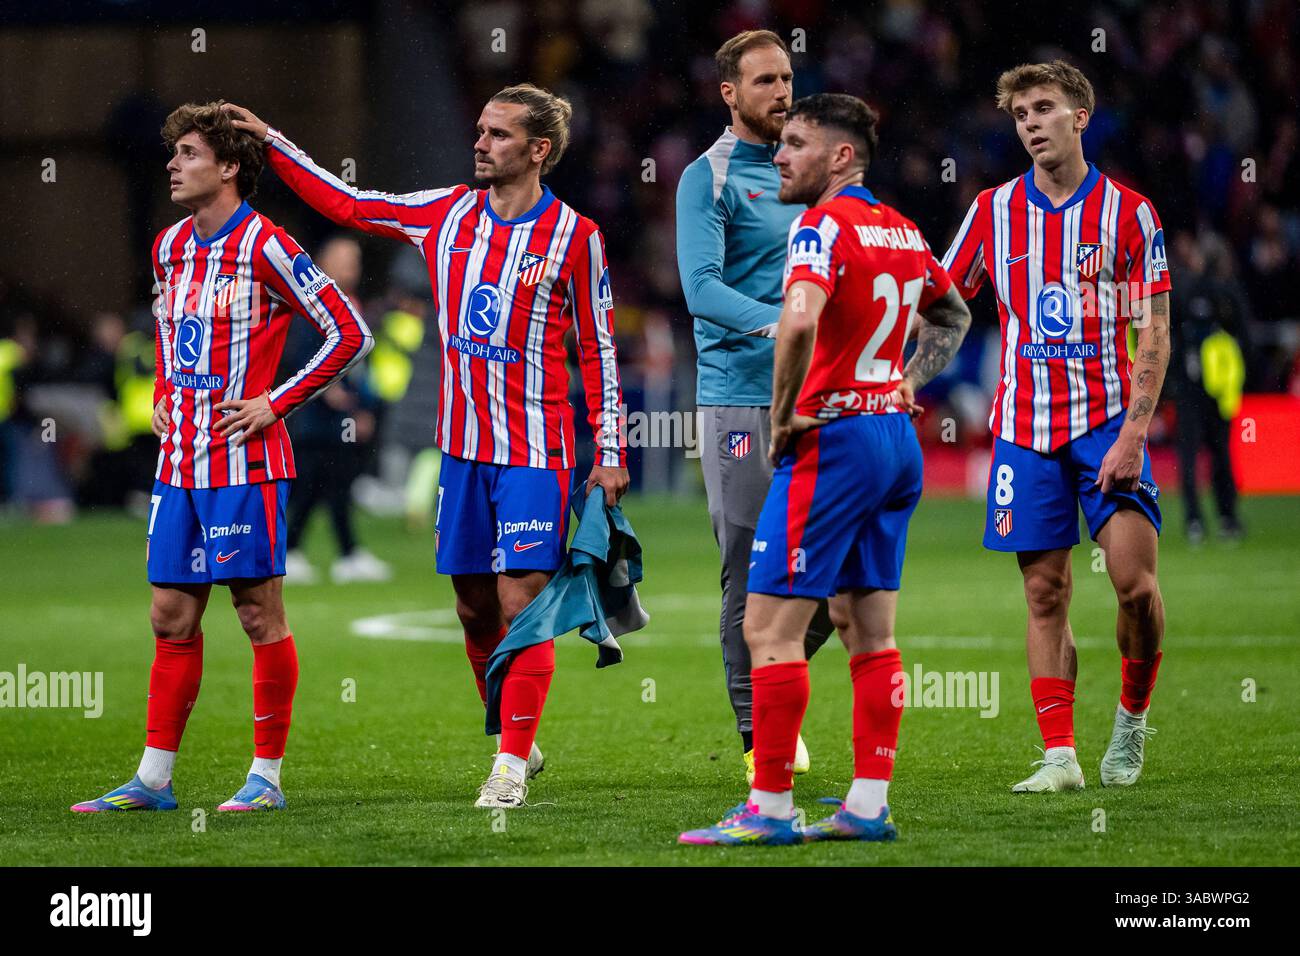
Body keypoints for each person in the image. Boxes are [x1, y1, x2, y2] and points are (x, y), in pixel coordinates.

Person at [224, 82, 629, 809]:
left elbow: (598, 350)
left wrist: (611, 451)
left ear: (539, 150)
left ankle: (507, 767)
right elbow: (347, 204)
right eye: (479, 129)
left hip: (538, 451)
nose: (480, 142)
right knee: (474, 607)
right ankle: (517, 733)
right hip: (462, 453)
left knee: (522, 599)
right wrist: (273, 143)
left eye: (499, 134)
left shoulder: (576, 236)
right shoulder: (443, 213)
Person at [680, 93, 971, 846]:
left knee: (767, 628)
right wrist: (911, 379)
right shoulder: (901, 228)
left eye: (797, 143)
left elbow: (800, 318)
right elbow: (955, 315)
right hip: (894, 442)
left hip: (834, 439)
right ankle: (868, 805)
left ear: (842, 156)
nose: (779, 154)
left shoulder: (821, 225)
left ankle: (770, 809)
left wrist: (781, 419)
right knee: (867, 631)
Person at [72, 101, 373, 813]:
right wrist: (163, 393)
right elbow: (176, 335)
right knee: (170, 617)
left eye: (189, 154)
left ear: (230, 167)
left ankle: (265, 779)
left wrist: (277, 401)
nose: (173, 165)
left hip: (245, 463)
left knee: (257, 615)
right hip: (178, 465)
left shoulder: (268, 245)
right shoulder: (169, 246)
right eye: (173, 153)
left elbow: (349, 330)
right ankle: (152, 781)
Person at [941, 61, 1171, 792]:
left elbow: (1156, 333)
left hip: (1108, 422)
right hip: (1022, 431)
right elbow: (947, 304)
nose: (1031, 123)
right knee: (1045, 593)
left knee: (1133, 584)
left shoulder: (1130, 214)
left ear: (1081, 115)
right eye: (1020, 114)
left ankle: (1132, 720)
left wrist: (1136, 432)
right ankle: (1061, 756)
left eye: (1044, 108)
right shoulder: (991, 211)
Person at [675, 29, 832, 784]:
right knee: (749, 572)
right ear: (730, 93)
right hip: (739, 402)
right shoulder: (706, 178)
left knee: (842, 571)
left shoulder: (810, 169)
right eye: (766, 80)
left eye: (788, 77)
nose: (782, 91)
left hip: (827, 396)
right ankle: (757, 737)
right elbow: (700, 289)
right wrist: (782, 327)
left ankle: (774, 670)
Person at [281, 235, 393, 584]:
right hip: (315, 420)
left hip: (341, 418)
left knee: (332, 485)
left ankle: (327, 553)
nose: (352, 268)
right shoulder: (312, 304)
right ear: (324, 263)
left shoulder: (355, 305)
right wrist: (334, 395)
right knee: (316, 485)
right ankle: (308, 552)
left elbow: (362, 366)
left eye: (355, 261)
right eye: (344, 260)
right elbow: (302, 357)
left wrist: (365, 408)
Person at [1169, 231, 1248, 543]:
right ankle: (1227, 518)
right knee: (1220, 454)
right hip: (1218, 388)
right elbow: (1245, 339)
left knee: (1189, 455)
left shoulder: (1184, 290)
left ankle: (1195, 522)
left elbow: (1168, 335)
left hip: (1191, 387)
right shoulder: (1228, 292)